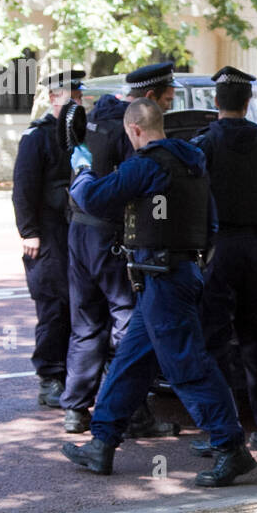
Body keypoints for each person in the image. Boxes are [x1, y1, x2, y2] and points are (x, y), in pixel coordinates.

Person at [61, 97, 256, 486]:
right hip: (172, 275)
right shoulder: (193, 163)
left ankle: (231, 447)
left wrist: (82, 168)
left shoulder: (146, 165)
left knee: (187, 365)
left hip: (162, 278)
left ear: (134, 129)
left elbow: (93, 199)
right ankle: (102, 443)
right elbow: (211, 224)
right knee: (130, 363)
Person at [57, 62, 178, 437]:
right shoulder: (131, 132)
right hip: (110, 236)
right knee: (127, 324)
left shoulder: (96, 115)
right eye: (167, 99)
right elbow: (135, 187)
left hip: (79, 232)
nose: (169, 106)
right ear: (149, 98)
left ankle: (76, 409)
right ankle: (135, 415)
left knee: (86, 323)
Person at [190, 66, 257, 456]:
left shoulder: (204, 146)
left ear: (215, 102)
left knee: (212, 344)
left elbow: (193, 202)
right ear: (248, 103)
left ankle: (222, 432)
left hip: (218, 251)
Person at [11, 71, 79, 408]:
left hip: (76, 229)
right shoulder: (37, 136)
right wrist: (30, 231)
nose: (76, 100)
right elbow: (23, 187)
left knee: (77, 303)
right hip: (49, 231)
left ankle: (73, 374)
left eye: (78, 94)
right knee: (53, 305)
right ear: (54, 97)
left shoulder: (80, 132)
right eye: (69, 94)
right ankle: (50, 377)